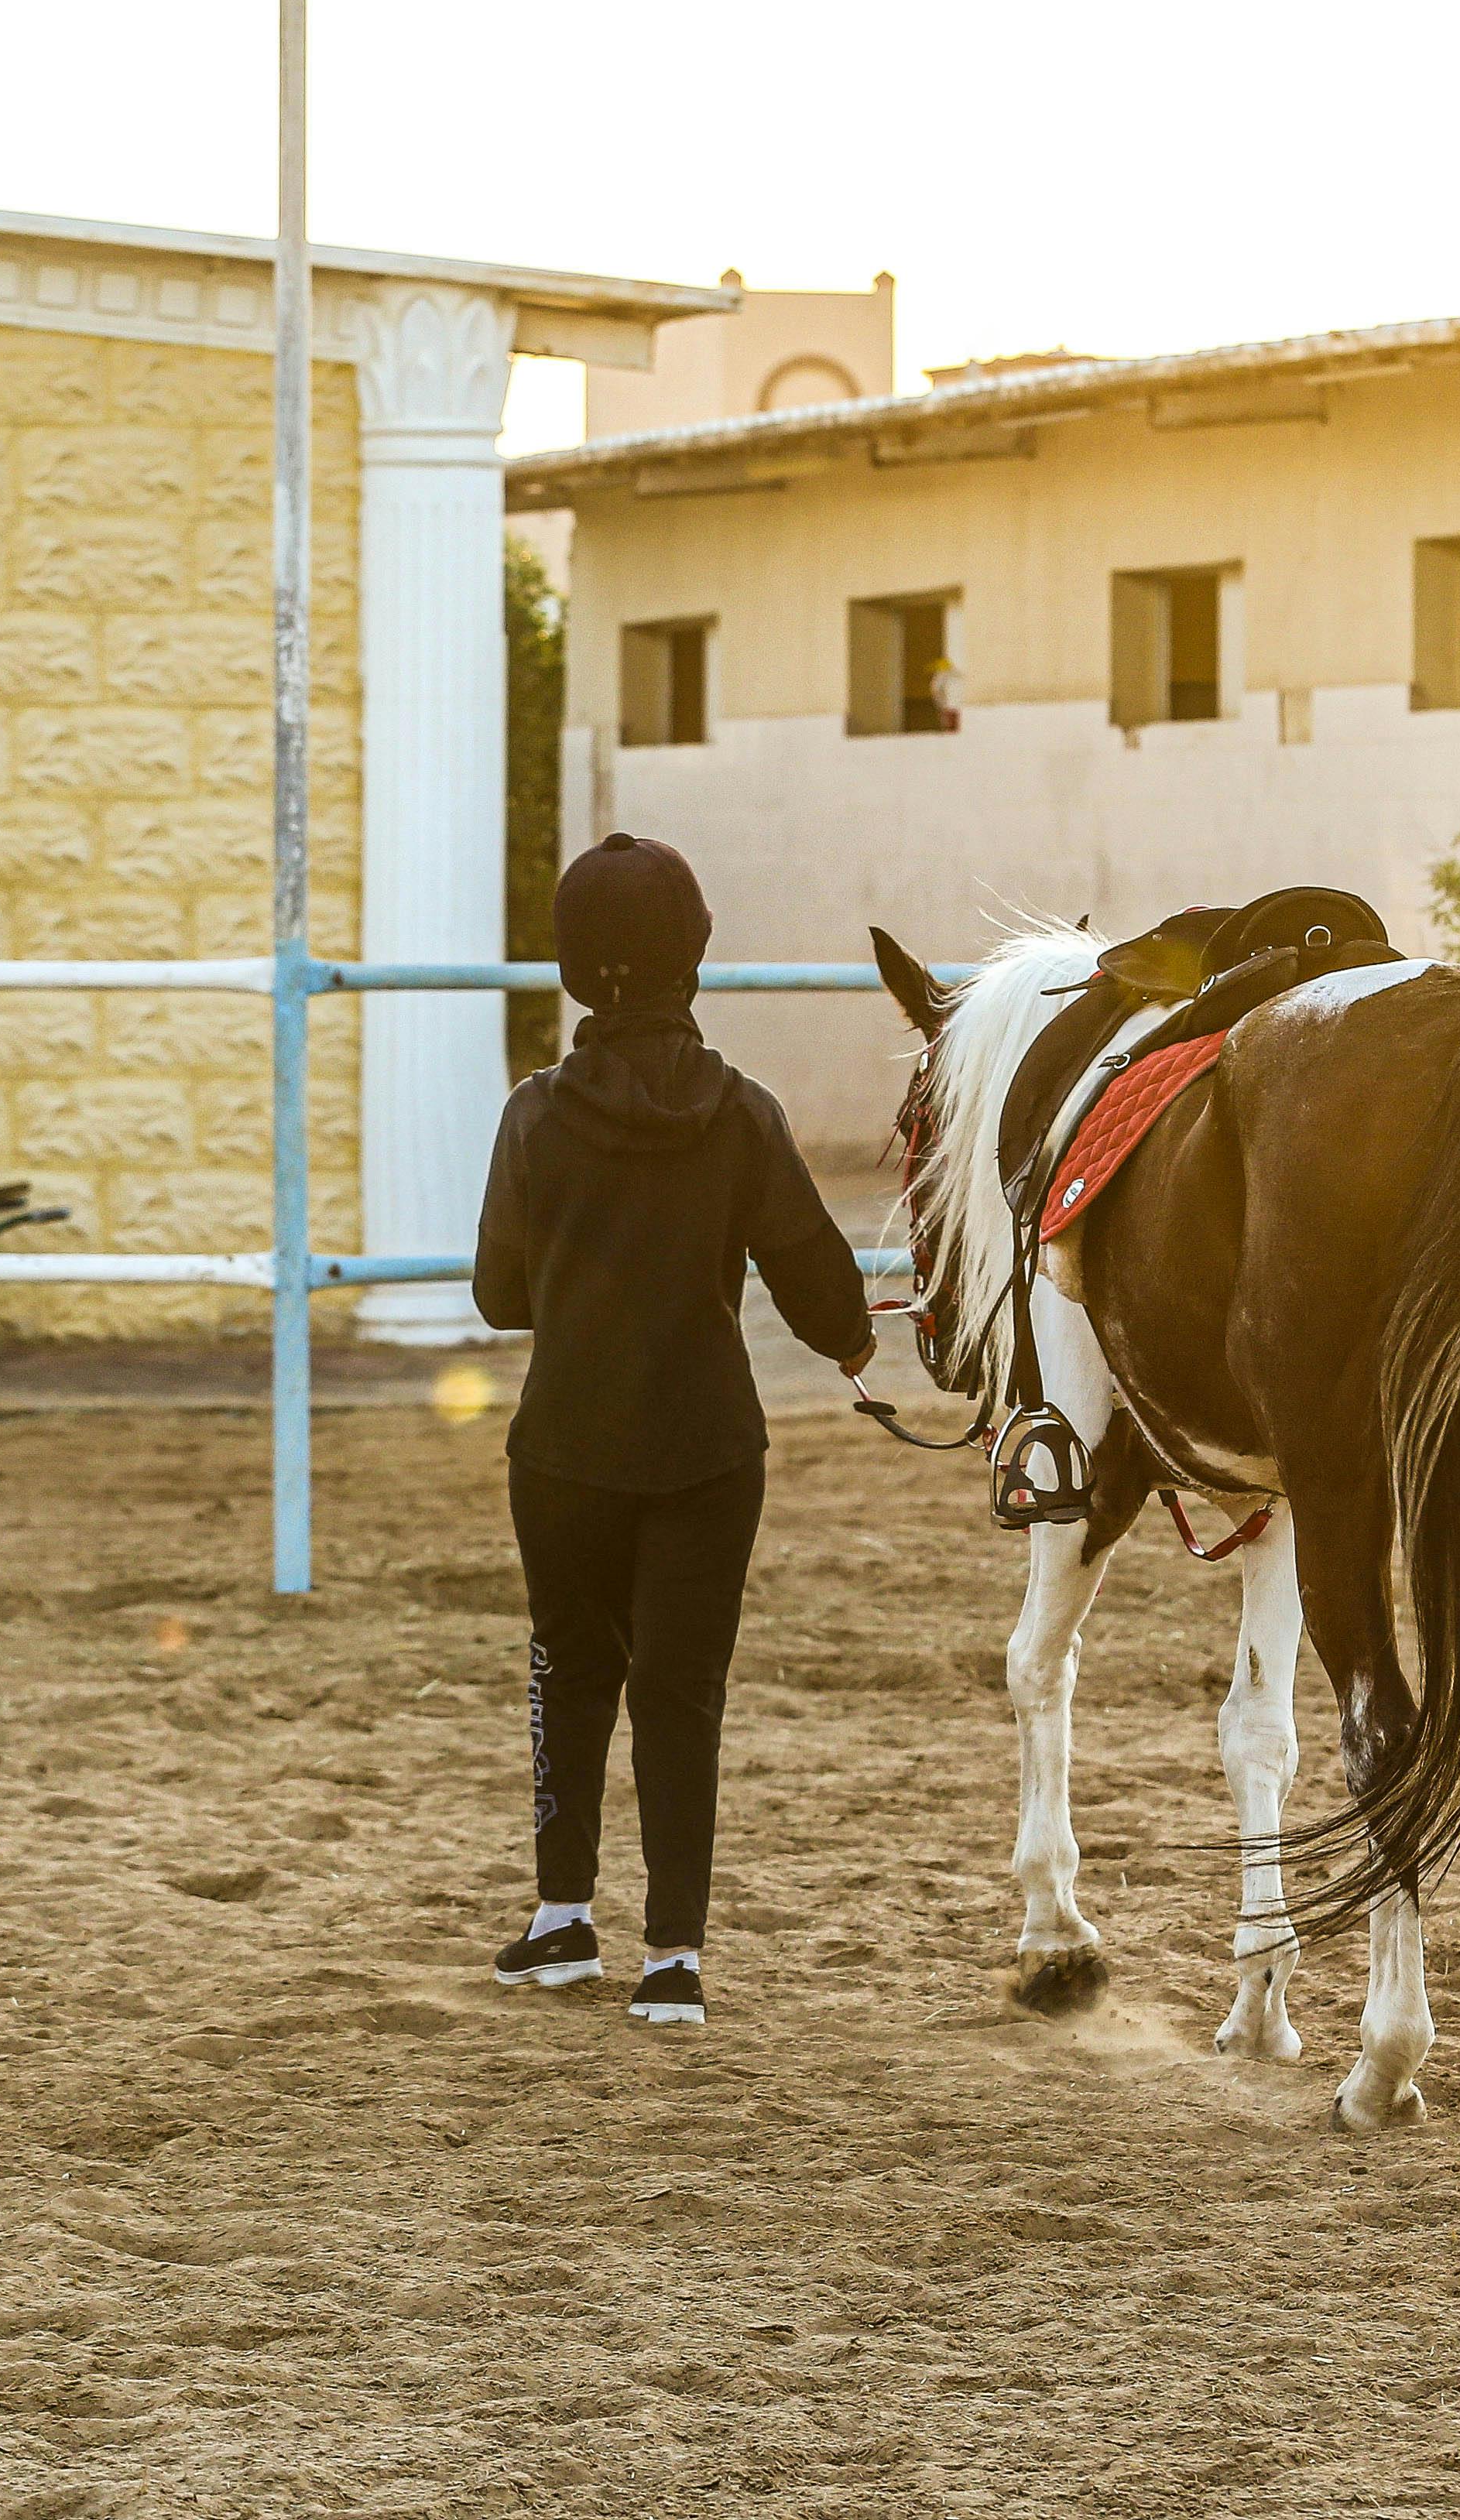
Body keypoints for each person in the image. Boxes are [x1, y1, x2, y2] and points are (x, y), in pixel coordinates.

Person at [472, 834, 872, 2029]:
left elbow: (499, 1298)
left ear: (571, 967)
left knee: (568, 1667)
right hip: (708, 1449)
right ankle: (675, 1957)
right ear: (695, 956)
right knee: (683, 1696)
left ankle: (559, 1922)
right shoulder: (743, 1114)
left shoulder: (533, 1117)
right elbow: (822, 1292)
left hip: (562, 1449)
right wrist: (858, 1354)